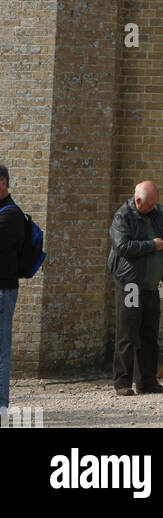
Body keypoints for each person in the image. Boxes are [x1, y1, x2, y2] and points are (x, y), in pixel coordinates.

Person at [108, 180, 163, 397]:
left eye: (155, 204)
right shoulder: (123, 216)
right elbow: (122, 247)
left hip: (151, 285)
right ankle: (122, 382)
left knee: (149, 335)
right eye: (149, 205)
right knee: (127, 334)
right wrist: (154, 245)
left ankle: (147, 382)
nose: (153, 208)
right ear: (138, 201)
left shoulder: (159, 211)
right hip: (131, 284)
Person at [0, 165, 26, 415]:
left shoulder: (11, 215)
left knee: (1, 351)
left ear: (3, 183)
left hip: (3, 292)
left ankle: (1, 406)